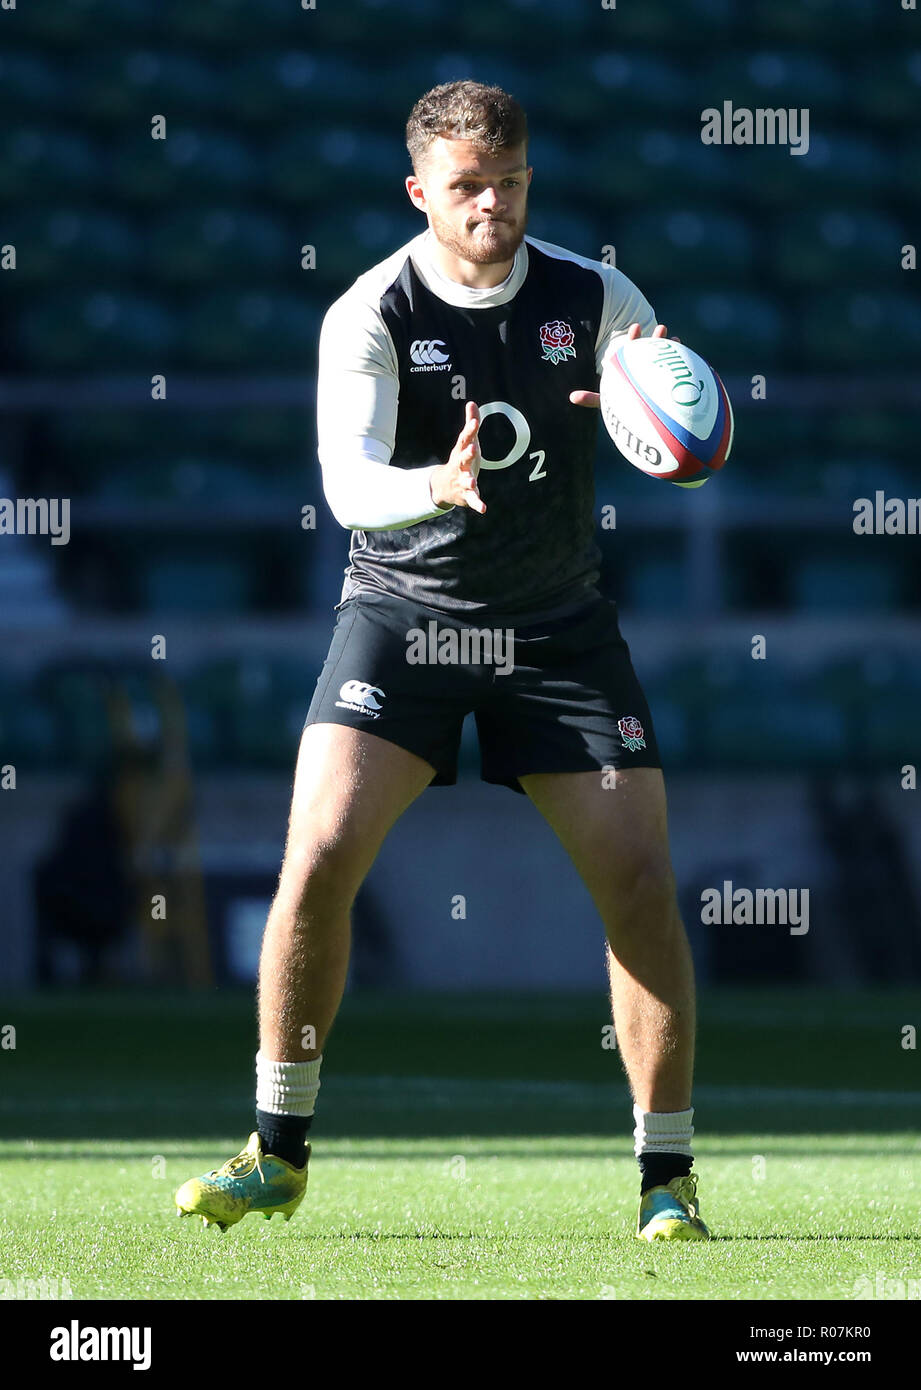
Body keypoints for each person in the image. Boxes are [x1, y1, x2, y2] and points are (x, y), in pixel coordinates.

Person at [175, 80, 709, 1243]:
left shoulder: (600, 294)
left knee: (638, 882)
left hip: (557, 625)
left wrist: (670, 429)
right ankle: (277, 1148)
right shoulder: (371, 308)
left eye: (510, 183)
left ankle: (666, 1178)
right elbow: (348, 482)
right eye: (467, 188)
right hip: (404, 613)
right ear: (420, 190)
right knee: (316, 854)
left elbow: (674, 422)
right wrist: (434, 483)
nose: (493, 207)